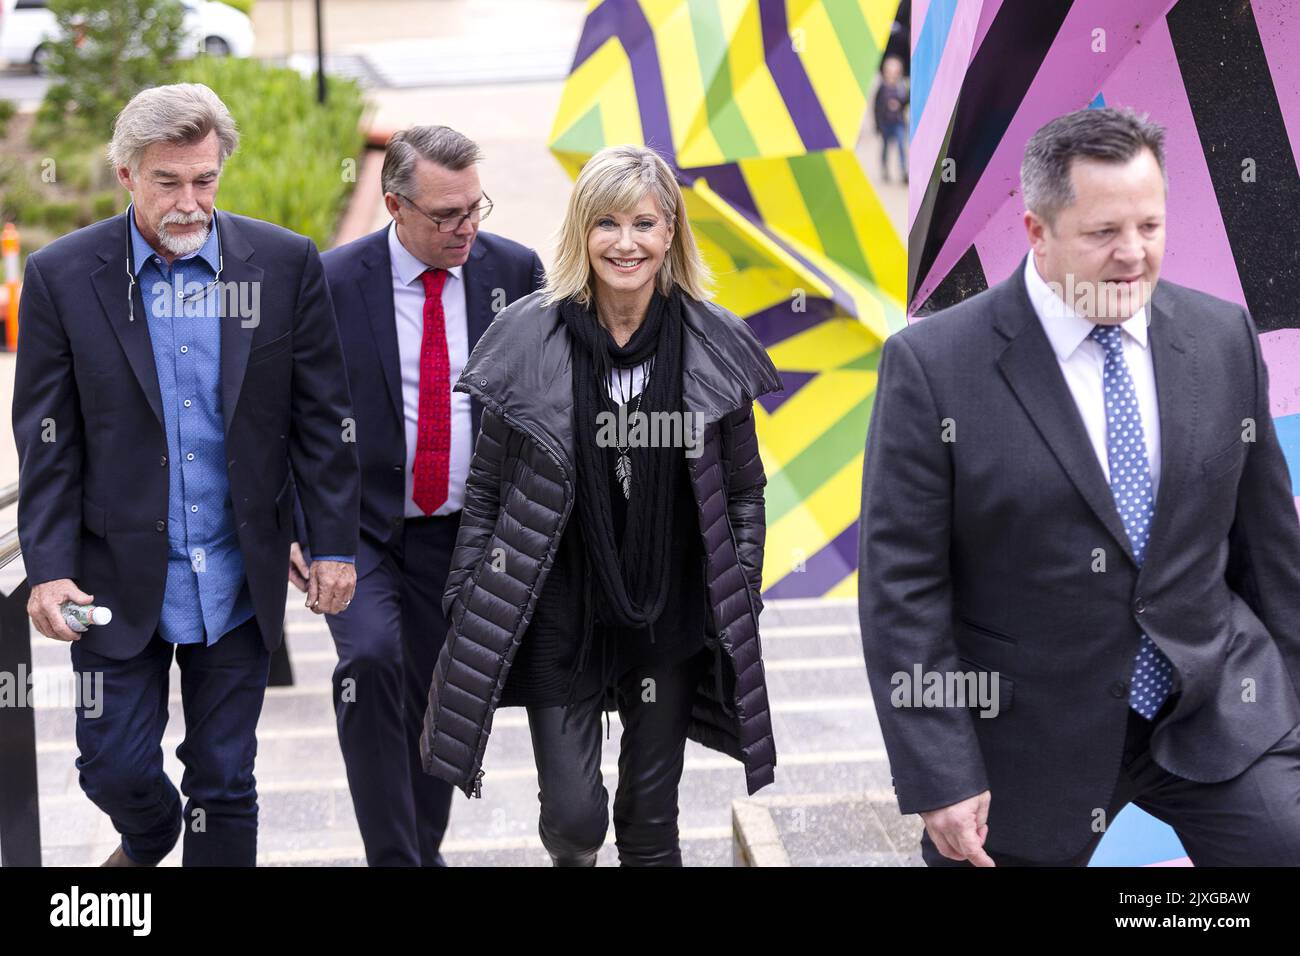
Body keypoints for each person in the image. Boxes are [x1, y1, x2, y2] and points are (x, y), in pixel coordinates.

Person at [858, 106, 1300, 866]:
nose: (1133, 255)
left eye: (1151, 227)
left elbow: (1271, 554)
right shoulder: (934, 369)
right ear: (1037, 231)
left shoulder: (1224, 338)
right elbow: (903, 590)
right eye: (1104, 234)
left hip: (1213, 704)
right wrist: (940, 773)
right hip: (1024, 734)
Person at [13, 83, 359, 867]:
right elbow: (47, 441)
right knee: (112, 767)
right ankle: (148, 841)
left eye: (204, 179)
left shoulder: (282, 263)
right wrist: (49, 569)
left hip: (240, 572)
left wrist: (333, 543)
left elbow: (321, 421)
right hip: (112, 575)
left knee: (226, 778)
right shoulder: (63, 276)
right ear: (126, 175)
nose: (189, 200)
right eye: (168, 181)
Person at [419, 144, 781, 866]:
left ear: (671, 232)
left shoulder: (712, 344)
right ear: (581, 232)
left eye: (645, 223)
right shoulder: (526, 339)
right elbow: (486, 488)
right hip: (560, 614)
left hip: (667, 614)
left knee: (651, 823)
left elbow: (743, 490)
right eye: (607, 223)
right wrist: (466, 585)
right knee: (577, 820)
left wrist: (738, 582)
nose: (626, 243)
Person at [293, 126, 544, 866]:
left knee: (444, 703)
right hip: (360, 529)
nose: (465, 227)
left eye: (475, 208)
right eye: (445, 215)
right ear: (394, 204)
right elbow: (284, 411)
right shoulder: (334, 281)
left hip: (466, 535)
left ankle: (418, 851)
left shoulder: (514, 272)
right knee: (370, 664)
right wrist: (294, 528)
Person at [874, 55, 909, 184]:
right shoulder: (882, 88)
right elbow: (876, 107)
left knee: (901, 146)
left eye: (896, 73)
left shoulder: (901, 87)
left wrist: (899, 102)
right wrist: (877, 125)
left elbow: (906, 100)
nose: (893, 76)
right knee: (885, 148)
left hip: (898, 123)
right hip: (886, 124)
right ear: (885, 72)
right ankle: (884, 168)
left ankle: (904, 170)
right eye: (890, 72)